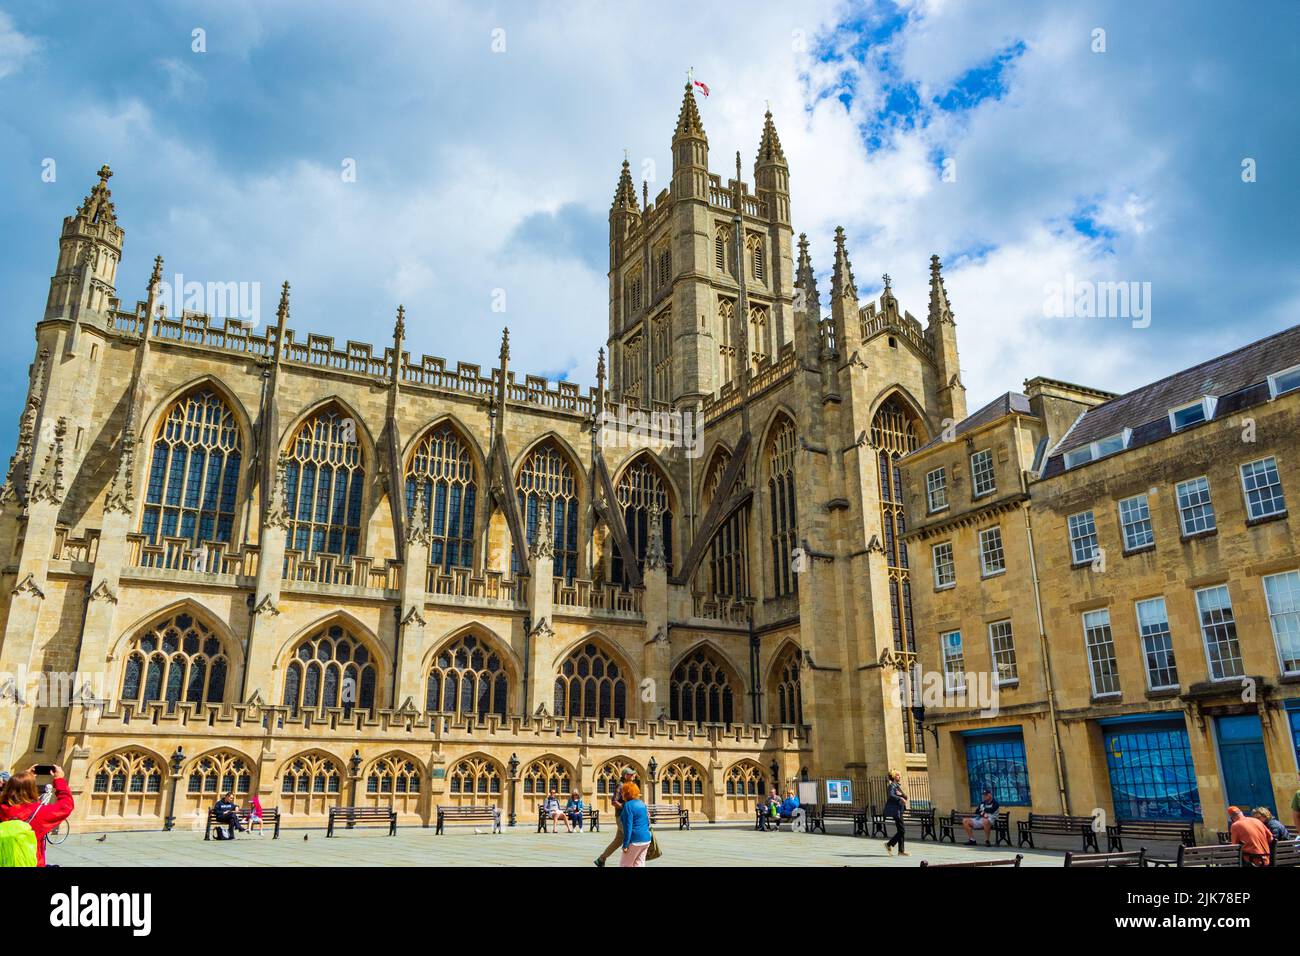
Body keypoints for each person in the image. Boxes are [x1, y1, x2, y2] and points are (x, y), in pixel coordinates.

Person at [0, 764, 74, 867]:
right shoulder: (38, 813)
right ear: (32, 790)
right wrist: (59, 779)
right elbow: (66, 806)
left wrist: (22, 777)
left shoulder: (2, 808)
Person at [595, 767, 637, 867]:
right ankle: (631, 863)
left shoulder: (630, 785)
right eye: (631, 774)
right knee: (631, 837)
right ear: (626, 775)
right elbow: (614, 801)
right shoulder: (621, 785)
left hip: (627, 817)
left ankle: (601, 859)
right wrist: (625, 807)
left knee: (618, 841)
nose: (634, 776)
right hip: (621, 817)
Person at [618, 782, 653, 867]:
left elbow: (628, 827)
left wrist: (625, 844)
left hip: (634, 841)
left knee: (625, 864)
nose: (621, 794)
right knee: (639, 864)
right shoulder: (642, 803)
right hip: (646, 839)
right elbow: (647, 822)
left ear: (626, 793)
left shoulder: (628, 806)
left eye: (622, 792)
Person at [883, 769, 908, 856]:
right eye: (898, 775)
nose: (899, 776)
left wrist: (901, 795)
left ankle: (901, 851)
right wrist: (900, 798)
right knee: (902, 831)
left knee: (901, 830)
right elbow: (890, 796)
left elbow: (906, 796)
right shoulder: (892, 786)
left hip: (899, 810)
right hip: (896, 811)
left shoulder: (897, 786)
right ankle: (889, 844)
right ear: (893, 777)